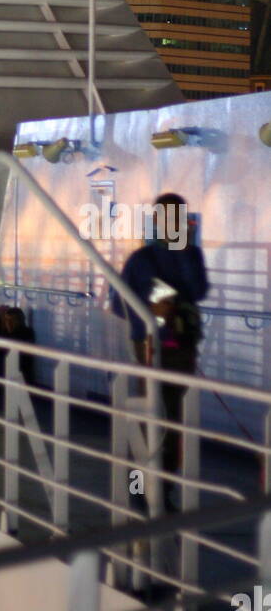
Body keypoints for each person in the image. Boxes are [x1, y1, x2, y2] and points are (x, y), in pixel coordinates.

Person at [110, 193, 208, 498]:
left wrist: (183, 250)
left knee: (176, 423)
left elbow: (198, 290)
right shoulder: (141, 260)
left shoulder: (191, 255)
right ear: (156, 220)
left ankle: (163, 493)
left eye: (178, 218)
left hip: (182, 345)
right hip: (151, 347)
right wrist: (150, 309)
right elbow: (118, 304)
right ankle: (139, 490)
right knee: (151, 418)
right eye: (167, 218)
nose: (173, 224)